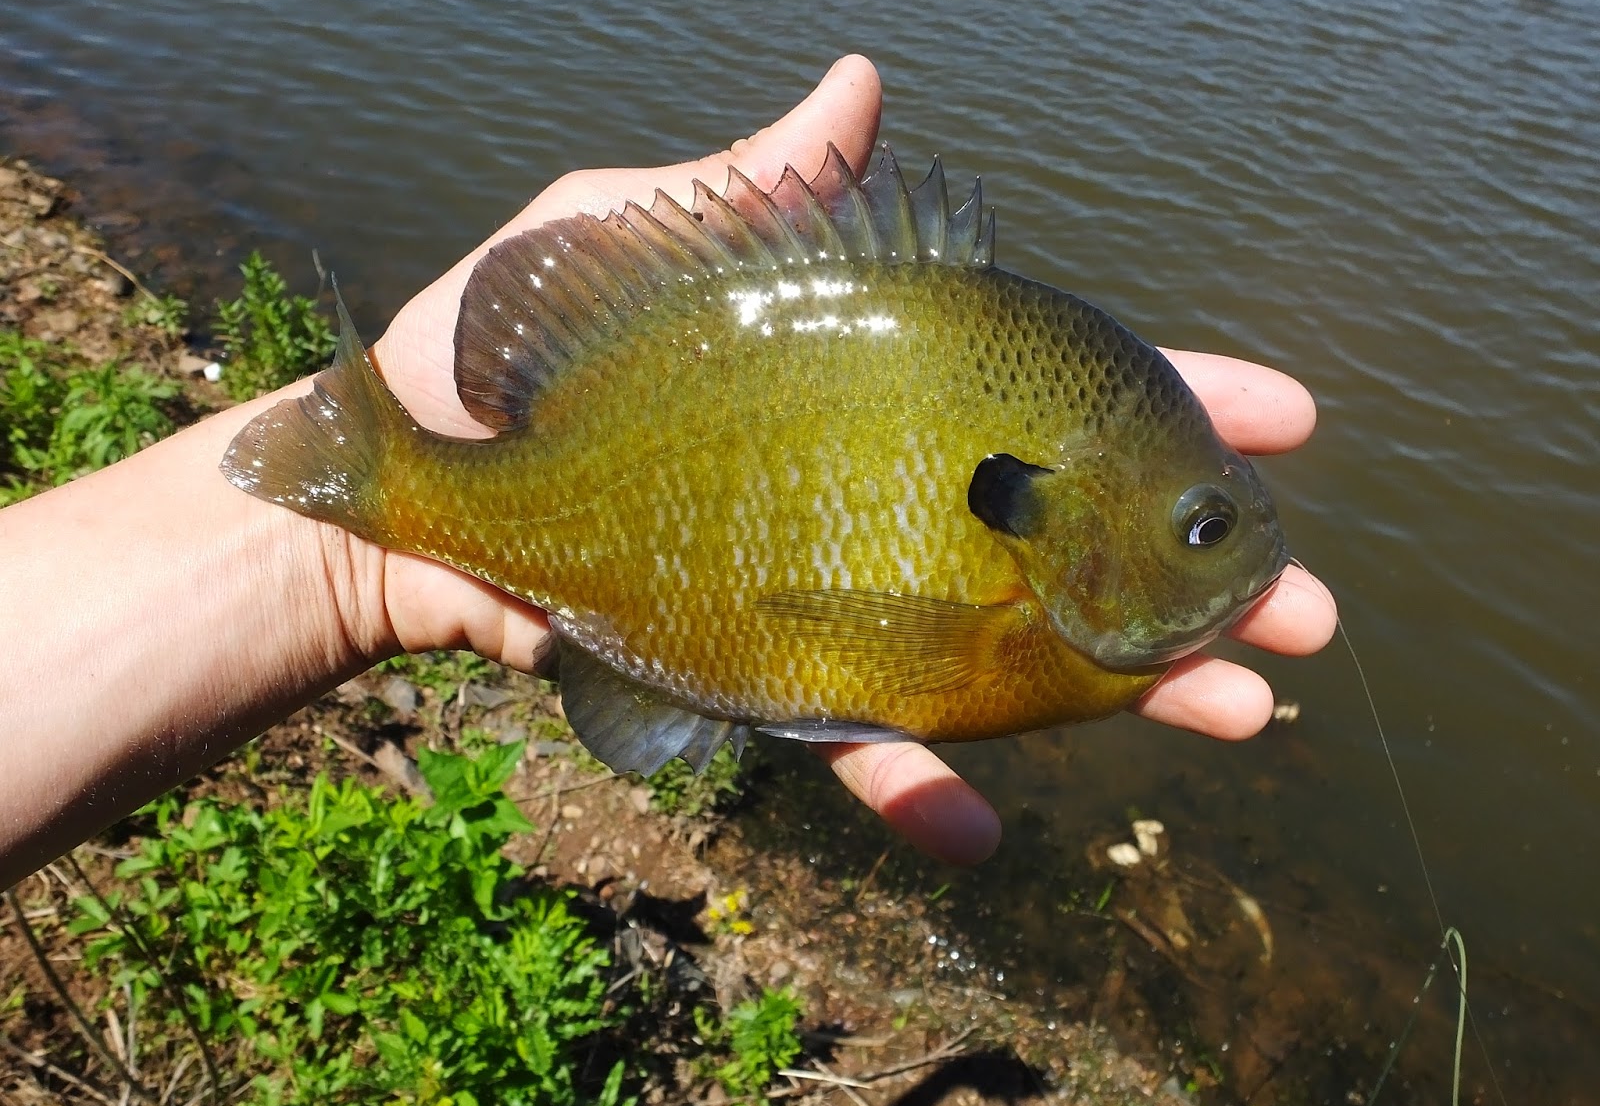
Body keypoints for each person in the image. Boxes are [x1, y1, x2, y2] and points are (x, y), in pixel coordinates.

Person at [0, 56, 1335, 892]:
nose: (1227, 544)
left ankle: (371, 489)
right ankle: (376, 481)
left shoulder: (1061, 605)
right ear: (1075, 521)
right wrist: (351, 535)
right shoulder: (1054, 618)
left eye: (1207, 524)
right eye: (1200, 525)